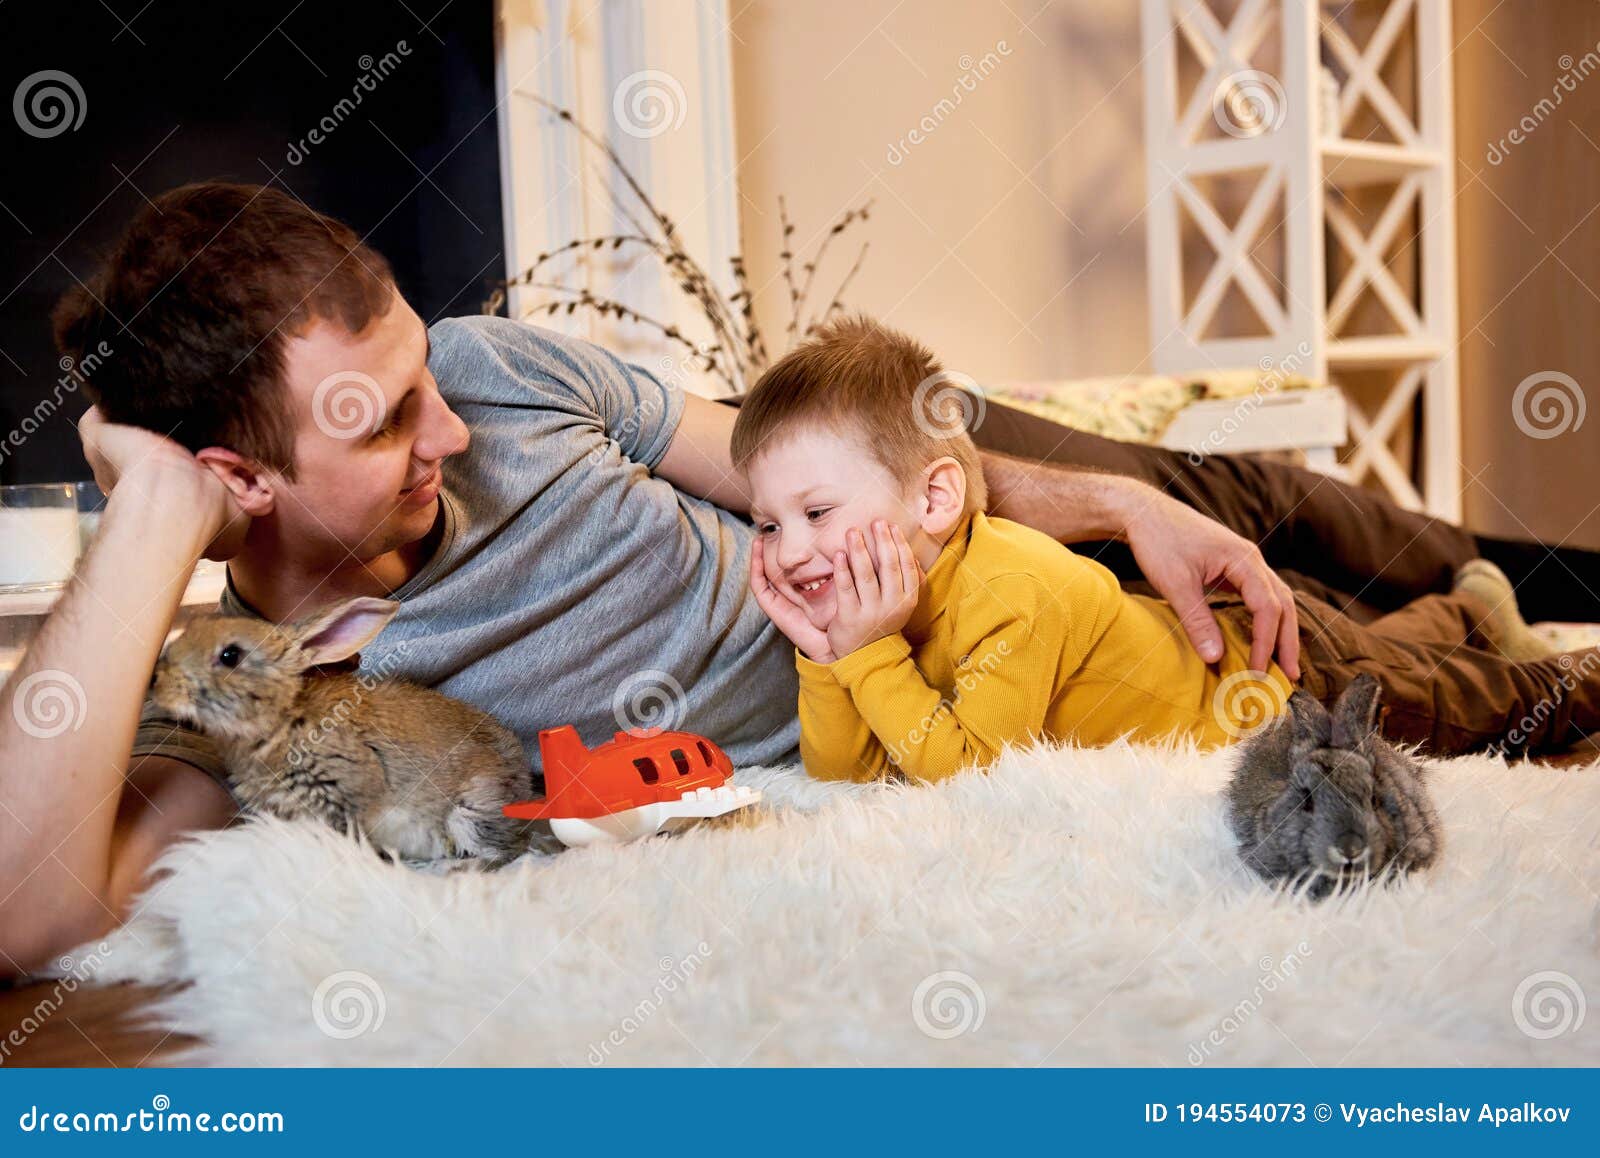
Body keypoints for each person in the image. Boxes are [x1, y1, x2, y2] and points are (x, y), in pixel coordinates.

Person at [0, 180, 1582, 978]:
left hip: (917, 531)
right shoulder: (273, 681)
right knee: (1395, 671)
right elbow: (28, 904)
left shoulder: (496, 369)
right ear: (240, 481)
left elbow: (775, 471)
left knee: (1247, 505)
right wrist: (148, 515)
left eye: (424, 369)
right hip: (910, 674)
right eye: (391, 417)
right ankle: (1491, 624)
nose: (452, 423)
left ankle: (1495, 579)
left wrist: (1111, 499)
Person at [733, 316, 1598, 783]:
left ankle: (1574, 667)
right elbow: (847, 781)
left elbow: (965, 774)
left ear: (934, 498)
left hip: (1284, 684)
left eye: (816, 512)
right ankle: (1466, 609)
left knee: (1490, 710)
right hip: (1249, 666)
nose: (792, 551)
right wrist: (826, 658)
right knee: (1415, 653)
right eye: (770, 524)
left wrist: (869, 657)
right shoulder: (877, 608)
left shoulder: (1015, 588)